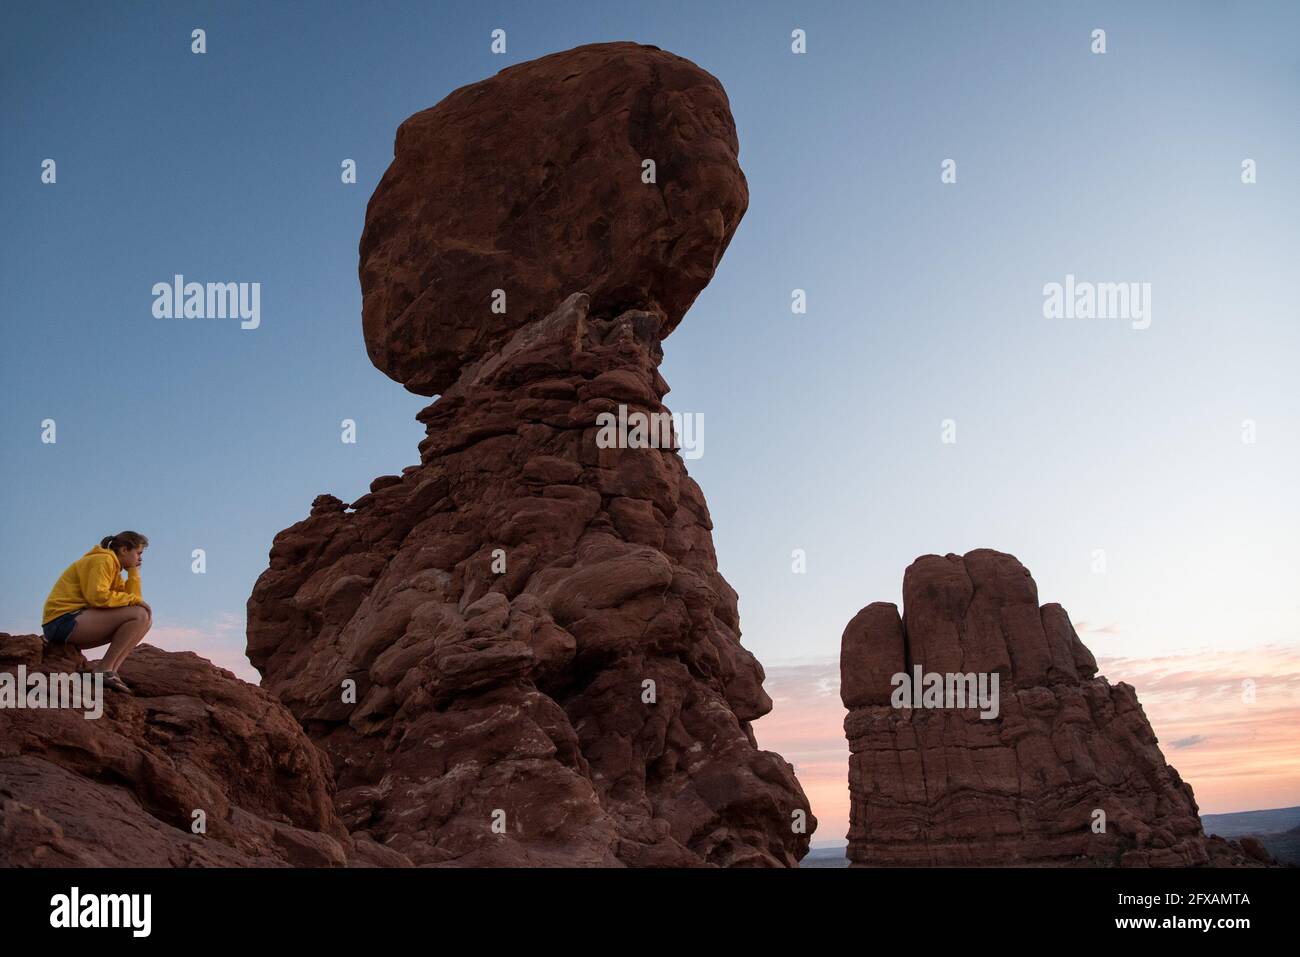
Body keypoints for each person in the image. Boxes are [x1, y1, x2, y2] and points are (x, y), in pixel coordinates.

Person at [41, 531, 153, 694]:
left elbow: (133, 599)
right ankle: (103, 670)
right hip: (61, 622)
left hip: (76, 622)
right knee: (139, 615)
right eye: (138, 553)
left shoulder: (114, 568)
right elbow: (97, 597)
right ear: (124, 550)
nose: (140, 558)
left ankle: (110, 671)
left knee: (144, 618)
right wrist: (134, 601)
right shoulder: (103, 560)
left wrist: (133, 572)